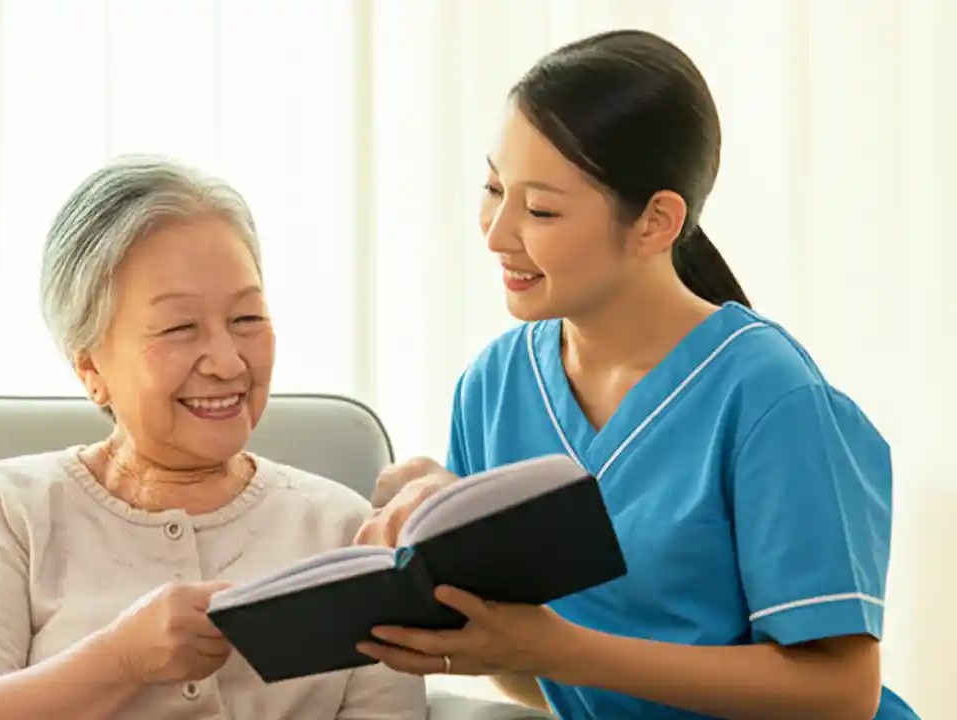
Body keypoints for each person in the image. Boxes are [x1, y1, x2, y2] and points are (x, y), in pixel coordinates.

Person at [353, 29, 919, 720]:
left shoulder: (771, 398)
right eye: (494, 187)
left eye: (540, 209)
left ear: (655, 222)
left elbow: (841, 693)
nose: (497, 233)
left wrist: (557, 649)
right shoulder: (493, 388)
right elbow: (529, 665)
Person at [0, 156, 425, 719]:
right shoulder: (10, 508)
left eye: (246, 319)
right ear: (91, 368)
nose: (226, 361)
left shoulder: (343, 528)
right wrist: (119, 662)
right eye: (179, 328)